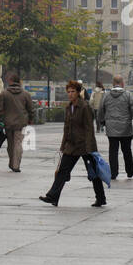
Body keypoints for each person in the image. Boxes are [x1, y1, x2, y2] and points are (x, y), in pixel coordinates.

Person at [39, 80, 106, 208]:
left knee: (93, 173)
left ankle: (101, 198)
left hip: (84, 145)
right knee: (62, 171)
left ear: (78, 92)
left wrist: (90, 148)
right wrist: (63, 145)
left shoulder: (85, 107)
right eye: (68, 92)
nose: (70, 94)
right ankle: (53, 196)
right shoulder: (68, 106)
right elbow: (66, 127)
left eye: (73, 91)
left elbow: (89, 128)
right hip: (71, 145)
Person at [0, 71, 35, 172]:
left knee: (10, 145)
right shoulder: (26, 94)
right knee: (18, 144)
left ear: (10, 81)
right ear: (19, 82)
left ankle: (12, 162)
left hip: (8, 123)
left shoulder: (4, 94)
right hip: (21, 123)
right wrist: (31, 119)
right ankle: (16, 165)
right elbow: (31, 109)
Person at [98, 76, 133, 180]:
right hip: (126, 128)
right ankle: (130, 171)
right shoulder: (128, 95)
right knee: (127, 150)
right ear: (122, 83)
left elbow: (100, 110)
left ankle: (113, 172)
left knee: (113, 150)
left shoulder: (106, 96)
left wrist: (102, 122)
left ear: (113, 83)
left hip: (111, 128)